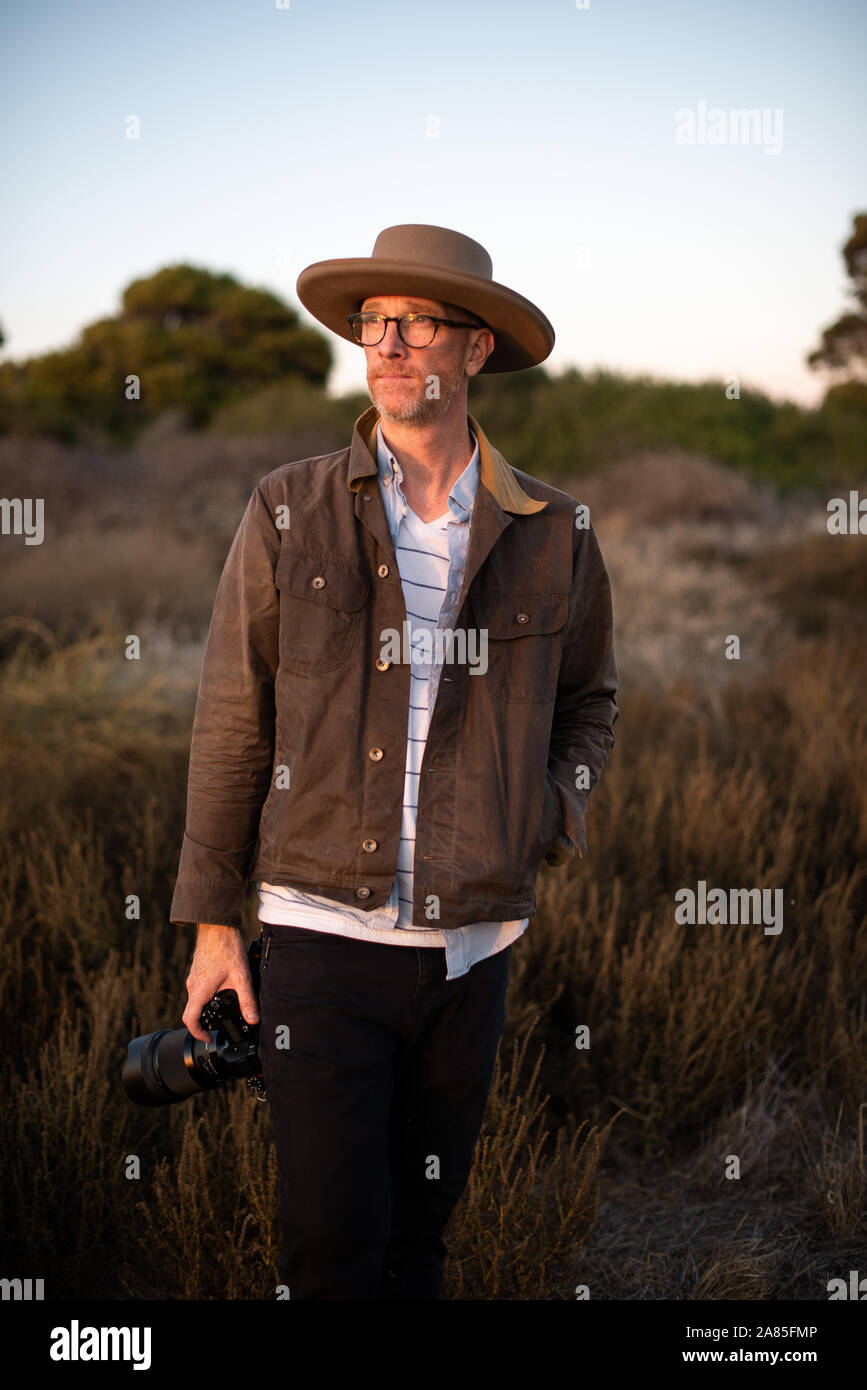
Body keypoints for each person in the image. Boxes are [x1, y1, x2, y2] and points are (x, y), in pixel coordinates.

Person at [170, 223, 619, 1299]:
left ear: (475, 351)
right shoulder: (289, 508)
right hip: (321, 936)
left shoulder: (553, 529)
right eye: (376, 325)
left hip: (475, 946)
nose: (390, 344)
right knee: (332, 1252)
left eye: (417, 324)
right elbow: (234, 715)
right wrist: (213, 926)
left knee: (420, 1248)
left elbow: (591, 701)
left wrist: (555, 809)